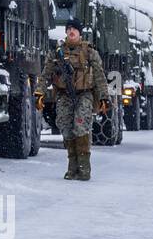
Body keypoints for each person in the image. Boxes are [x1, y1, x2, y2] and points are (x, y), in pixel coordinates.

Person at [43, 18, 109, 181]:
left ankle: (84, 168)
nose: (71, 31)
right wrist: (39, 92)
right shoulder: (57, 52)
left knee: (80, 126)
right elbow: (45, 74)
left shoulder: (89, 52)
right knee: (66, 128)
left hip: (84, 94)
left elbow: (99, 76)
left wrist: (104, 97)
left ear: (80, 33)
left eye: (75, 29)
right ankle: (72, 167)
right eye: (69, 29)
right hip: (64, 95)